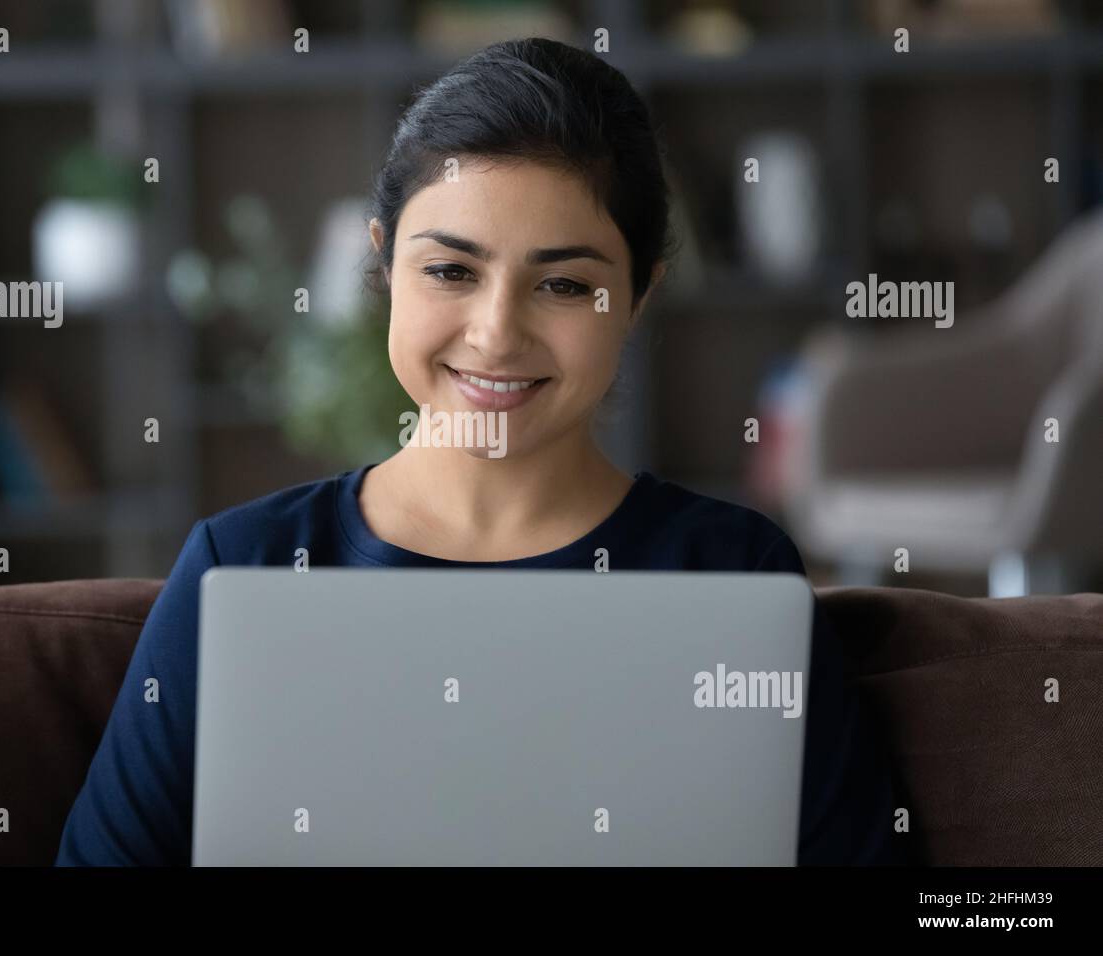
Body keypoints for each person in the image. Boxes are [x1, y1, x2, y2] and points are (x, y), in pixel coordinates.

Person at [56, 37, 902, 866]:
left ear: (638, 297)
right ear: (384, 264)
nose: (496, 334)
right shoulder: (242, 568)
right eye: (451, 272)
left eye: (565, 284)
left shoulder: (735, 577)